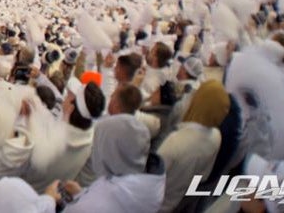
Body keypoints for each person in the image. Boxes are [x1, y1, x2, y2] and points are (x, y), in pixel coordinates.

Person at [63, 114, 165, 212]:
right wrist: (81, 194)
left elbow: (99, 204)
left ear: (111, 154)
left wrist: (49, 201)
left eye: (98, 145)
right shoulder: (151, 179)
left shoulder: (90, 206)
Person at [156, 81, 229, 213]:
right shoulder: (216, 137)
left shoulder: (175, 141)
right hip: (178, 201)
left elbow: (150, 177)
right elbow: (203, 176)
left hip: (156, 204)